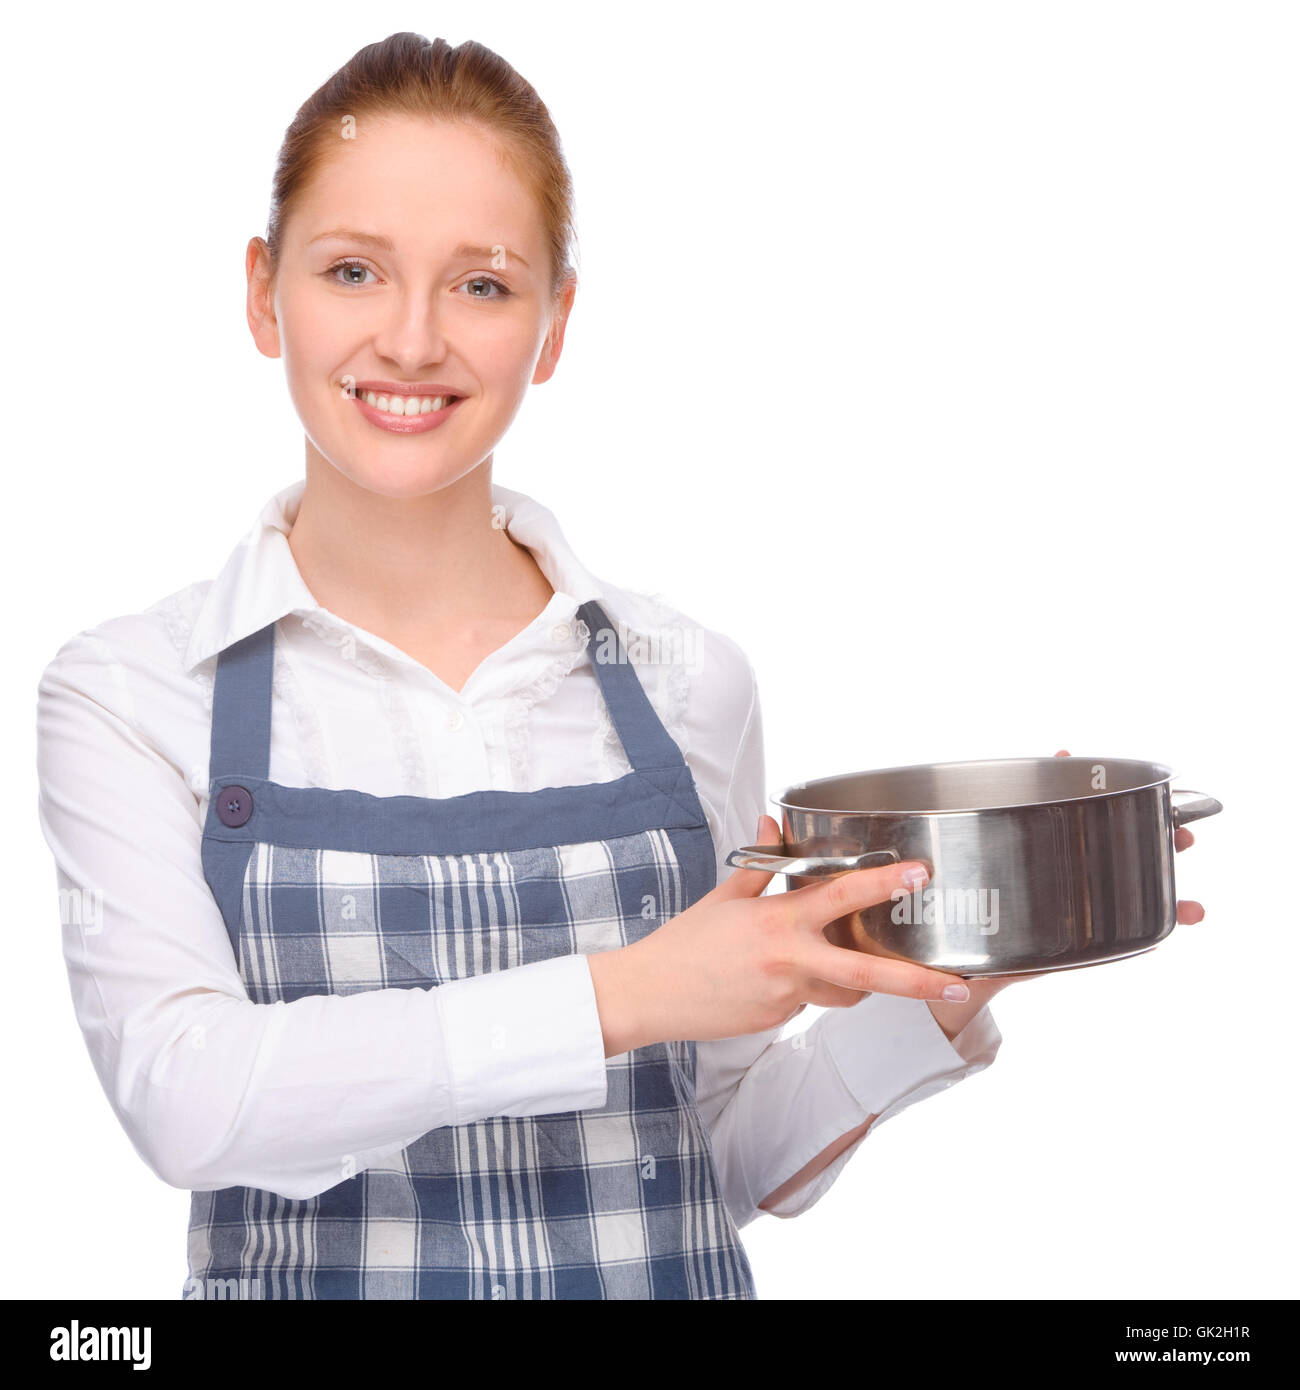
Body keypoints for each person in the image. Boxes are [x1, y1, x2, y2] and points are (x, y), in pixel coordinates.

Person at [33, 30, 1204, 1301]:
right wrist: (624, 992)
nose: (413, 339)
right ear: (264, 292)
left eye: (481, 285)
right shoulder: (136, 691)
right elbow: (191, 1101)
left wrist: (936, 974)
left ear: (554, 322)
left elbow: (700, 1151)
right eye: (353, 270)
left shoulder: (686, 681)